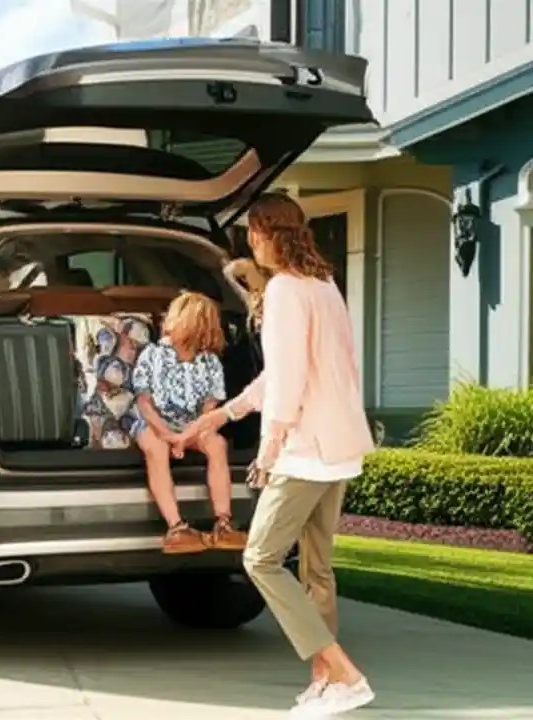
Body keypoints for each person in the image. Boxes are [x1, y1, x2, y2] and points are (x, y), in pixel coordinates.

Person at [179, 193, 376, 717]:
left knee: (260, 558)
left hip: (305, 450)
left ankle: (345, 674)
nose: (250, 241)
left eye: (252, 232)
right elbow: (290, 372)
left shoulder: (289, 290)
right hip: (340, 446)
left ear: (269, 233)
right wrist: (226, 414)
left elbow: (287, 383)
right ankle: (326, 683)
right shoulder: (324, 285)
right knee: (317, 571)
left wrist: (267, 451)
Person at [130, 291, 247, 555]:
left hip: (193, 426)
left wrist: (188, 434)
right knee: (154, 447)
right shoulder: (152, 354)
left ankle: (224, 522)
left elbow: (209, 408)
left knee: (217, 444)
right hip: (155, 424)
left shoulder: (210, 362)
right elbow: (144, 403)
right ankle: (176, 526)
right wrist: (169, 435)